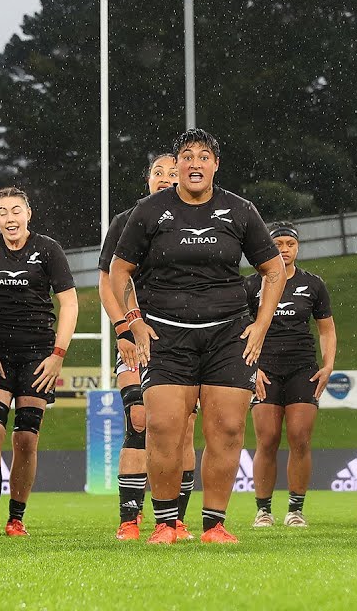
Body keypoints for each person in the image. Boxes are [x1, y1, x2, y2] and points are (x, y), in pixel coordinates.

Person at [109, 128, 286, 544]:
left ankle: (214, 525)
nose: (194, 163)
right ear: (178, 165)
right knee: (164, 427)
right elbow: (118, 271)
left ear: (215, 165)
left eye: (203, 156)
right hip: (166, 334)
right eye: (186, 156)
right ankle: (167, 524)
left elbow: (273, 270)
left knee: (226, 429)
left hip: (228, 335)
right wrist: (131, 321)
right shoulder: (150, 211)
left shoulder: (240, 210)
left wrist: (260, 325)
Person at [0, 187, 78, 538]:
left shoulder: (48, 249)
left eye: (16, 210)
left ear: (29, 213)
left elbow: (69, 305)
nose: (10, 218)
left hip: (38, 355)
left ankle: (16, 518)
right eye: (2, 212)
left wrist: (57, 355)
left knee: (26, 439)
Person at [97, 154, 199, 541]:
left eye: (172, 173)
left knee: (184, 429)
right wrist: (123, 329)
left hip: (185, 340)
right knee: (139, 421)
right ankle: (129, 517)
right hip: (136, 337)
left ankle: (176, 521)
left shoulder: (197, 221)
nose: (165, 178)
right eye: (159, 172)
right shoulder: (127, 221)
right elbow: (107, 280)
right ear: (148, 179)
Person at [246, 222, 335, 528]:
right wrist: (250, 368)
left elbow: (326, 329)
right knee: (267, 440)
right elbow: (238, 332)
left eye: (289, 244)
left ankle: (295, 510)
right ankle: (263, 510)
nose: (284, 249)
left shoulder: (313, 284)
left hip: (302, 369)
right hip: (264, 370)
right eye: (278, 243)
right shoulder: (250, 285)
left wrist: (328, 364)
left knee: (300, 439)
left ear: (298, 247)